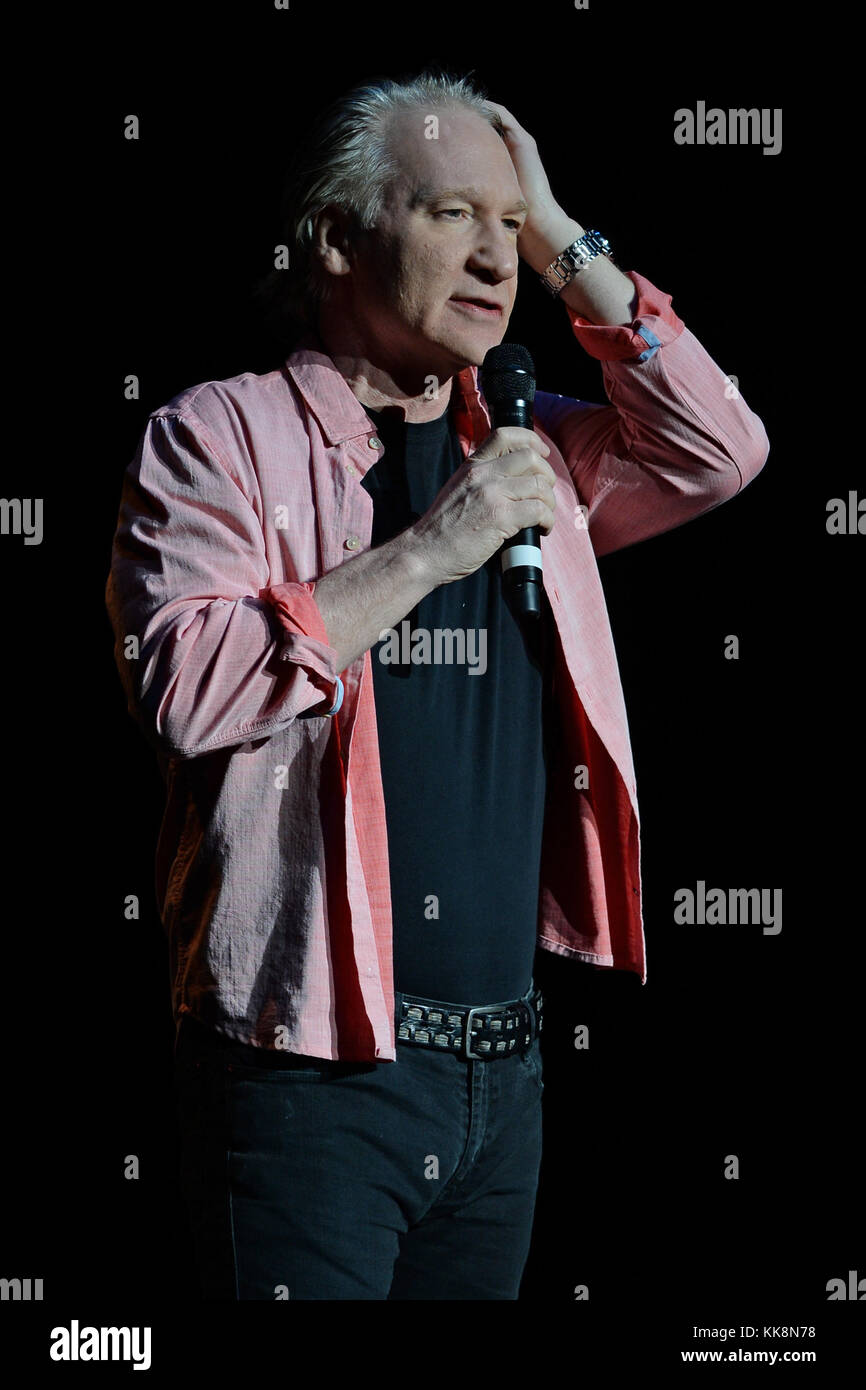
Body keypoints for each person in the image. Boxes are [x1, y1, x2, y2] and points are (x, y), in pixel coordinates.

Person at [105, 71, 769, 1300]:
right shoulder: (217, 438)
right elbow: (188, 687)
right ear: (338, 237)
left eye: (508, 227)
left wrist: (567, 231)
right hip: (310, 1075)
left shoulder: (530, 452)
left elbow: (720, 450)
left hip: (501, 1078)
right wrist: (426, 549)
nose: (495, 256)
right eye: (453, 214)